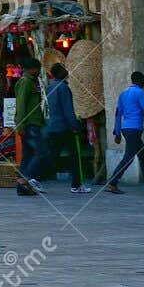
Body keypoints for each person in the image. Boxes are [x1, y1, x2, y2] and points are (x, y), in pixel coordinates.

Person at [105, 70, 144, 194]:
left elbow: (118, 113)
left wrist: (117, 132)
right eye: (143, 82)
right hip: (134, 130)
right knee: (129, 157)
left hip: (126, 129)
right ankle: (112, 182)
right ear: (140, 81)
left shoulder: (123, 93)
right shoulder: (139, 92)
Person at [43, 63, 89, 193]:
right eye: (64, 70)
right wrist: (75, 125)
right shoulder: (63, 88)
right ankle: (76, 184)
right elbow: (68, 109)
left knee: (52, 155)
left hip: (54, 125)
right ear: (59, 73)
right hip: (65, 127)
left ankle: (34, 177)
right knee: (74, 156)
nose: (67, 71)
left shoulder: (50, 87)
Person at [13, 62, 49, 196]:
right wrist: (21, 124)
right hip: (30, 123)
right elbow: (21, 104)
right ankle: (25, 178)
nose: (39, 72)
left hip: (33, 123)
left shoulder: (32, 82)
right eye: (38, 69)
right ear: (32, 69)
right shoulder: (25, 82)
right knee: (41, 152)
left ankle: (22, 187)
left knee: (27, 155)